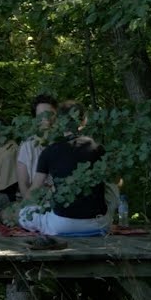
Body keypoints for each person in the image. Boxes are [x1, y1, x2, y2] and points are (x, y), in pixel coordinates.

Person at [18, 101, 110, 236]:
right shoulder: (98, 148)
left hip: (62, 224)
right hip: (99, 223)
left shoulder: (50, 151)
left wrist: (21, 207)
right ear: (84, 120)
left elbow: (34, 190)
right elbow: (115, 182)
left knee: (24, 215)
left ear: (58, 121)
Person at [17, 94, 59, 200]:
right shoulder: (27, 146)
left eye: (50, 114)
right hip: (35, 200)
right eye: (41, 115)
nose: (46, 119)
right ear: (35, 118)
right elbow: (23, 184)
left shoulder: (66, 143)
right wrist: (29, 204)